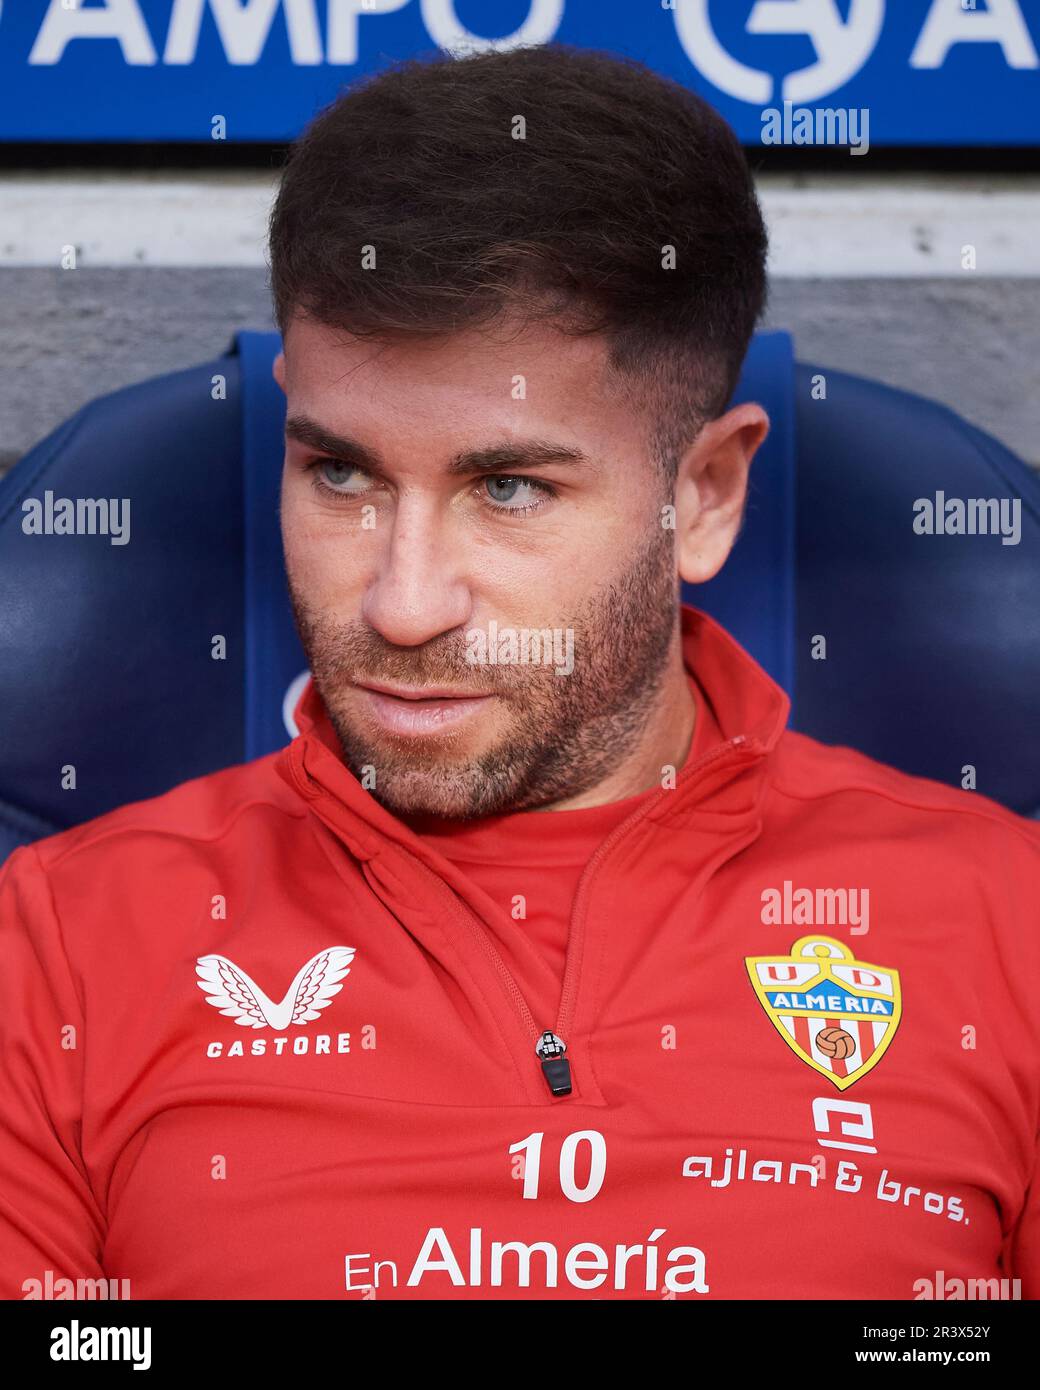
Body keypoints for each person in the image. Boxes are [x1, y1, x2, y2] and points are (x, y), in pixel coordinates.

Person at [2, 45, 1037, 1302]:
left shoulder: (1006, 924)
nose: (400, 602)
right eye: (340, 473)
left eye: (508, 488)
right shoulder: (53, 947)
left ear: (699, 495)